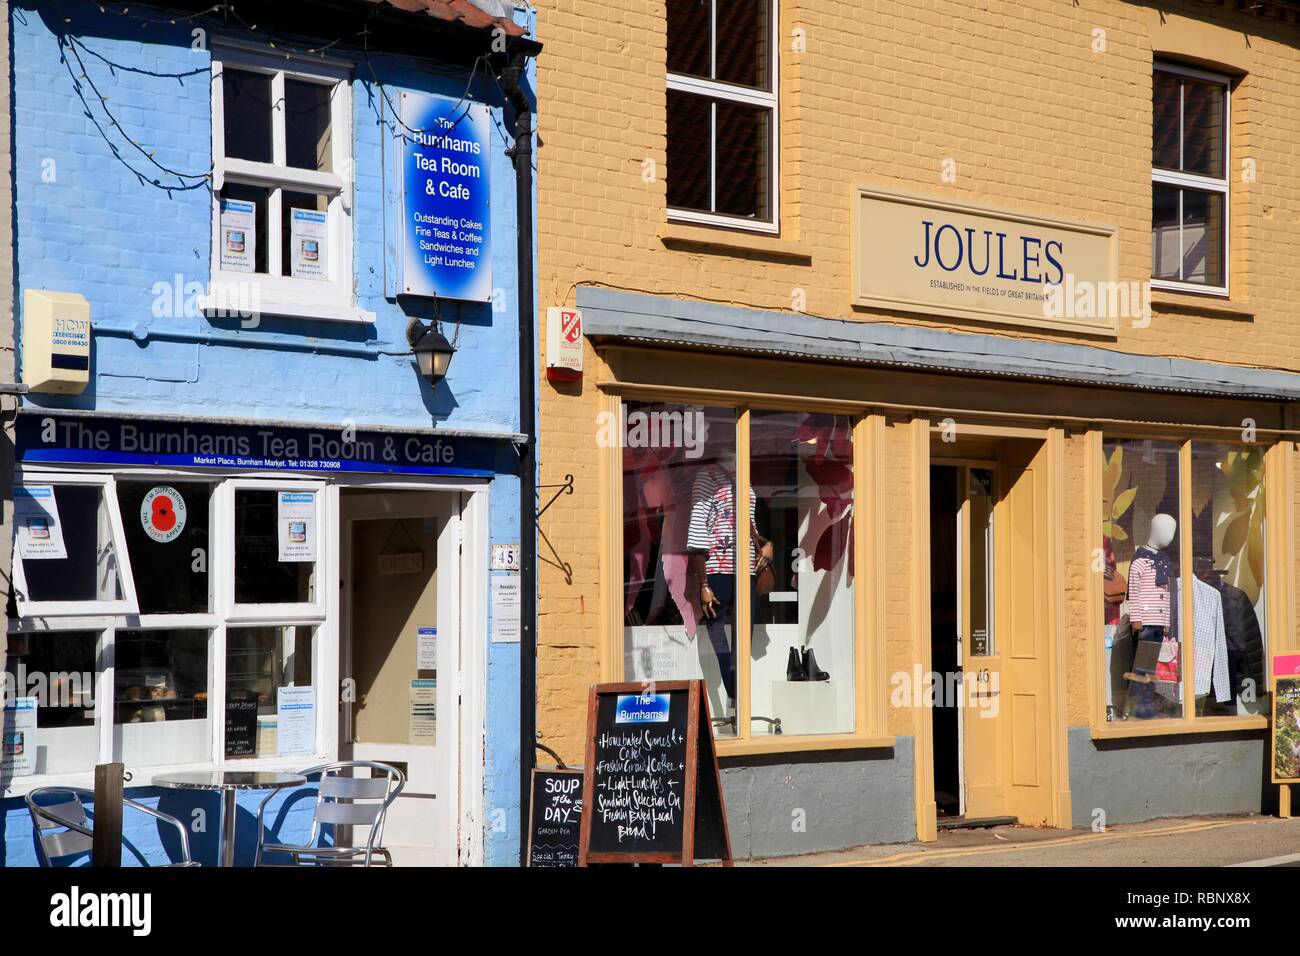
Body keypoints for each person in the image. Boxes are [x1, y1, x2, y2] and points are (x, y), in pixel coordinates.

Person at [686, 446, 772, 708]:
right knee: (717, 628)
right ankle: (733, 688)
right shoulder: (707, 476)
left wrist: (767, 545)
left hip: (746, 568)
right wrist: (702, 583)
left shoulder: (743, 480)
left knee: (744, 630)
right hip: (717, 569)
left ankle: (736, 697)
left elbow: (750, 526)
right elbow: (699, 527)